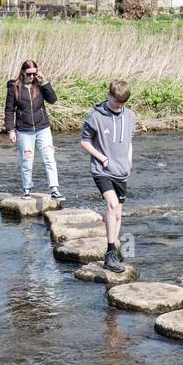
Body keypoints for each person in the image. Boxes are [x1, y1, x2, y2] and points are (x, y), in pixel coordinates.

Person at [80, 80, 135, 273]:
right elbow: (84, 142)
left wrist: (129, 161)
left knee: (118, 213)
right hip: (102, 169)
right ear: (109, 95)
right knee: (111, 204)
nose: (119, 107)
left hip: (122, 171)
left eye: (123, 104)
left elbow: (128, 142)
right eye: (116, 102)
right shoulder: (95, 117)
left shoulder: (130, 116)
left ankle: (114, 250)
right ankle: (110, 254)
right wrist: (102, 158)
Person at [4, 59, 61, 200]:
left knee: (49, 158)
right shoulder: (14, 88)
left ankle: (54, 189)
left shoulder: (40, 85)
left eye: (34, 73)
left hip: (43, 128)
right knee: (27, 160)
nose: (31, 76)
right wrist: (11, 130)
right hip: (24, 130)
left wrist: (45, 82)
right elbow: (9, 110)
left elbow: (53, 99)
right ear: (23, 72)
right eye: (29, 74)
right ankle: (27, 189)